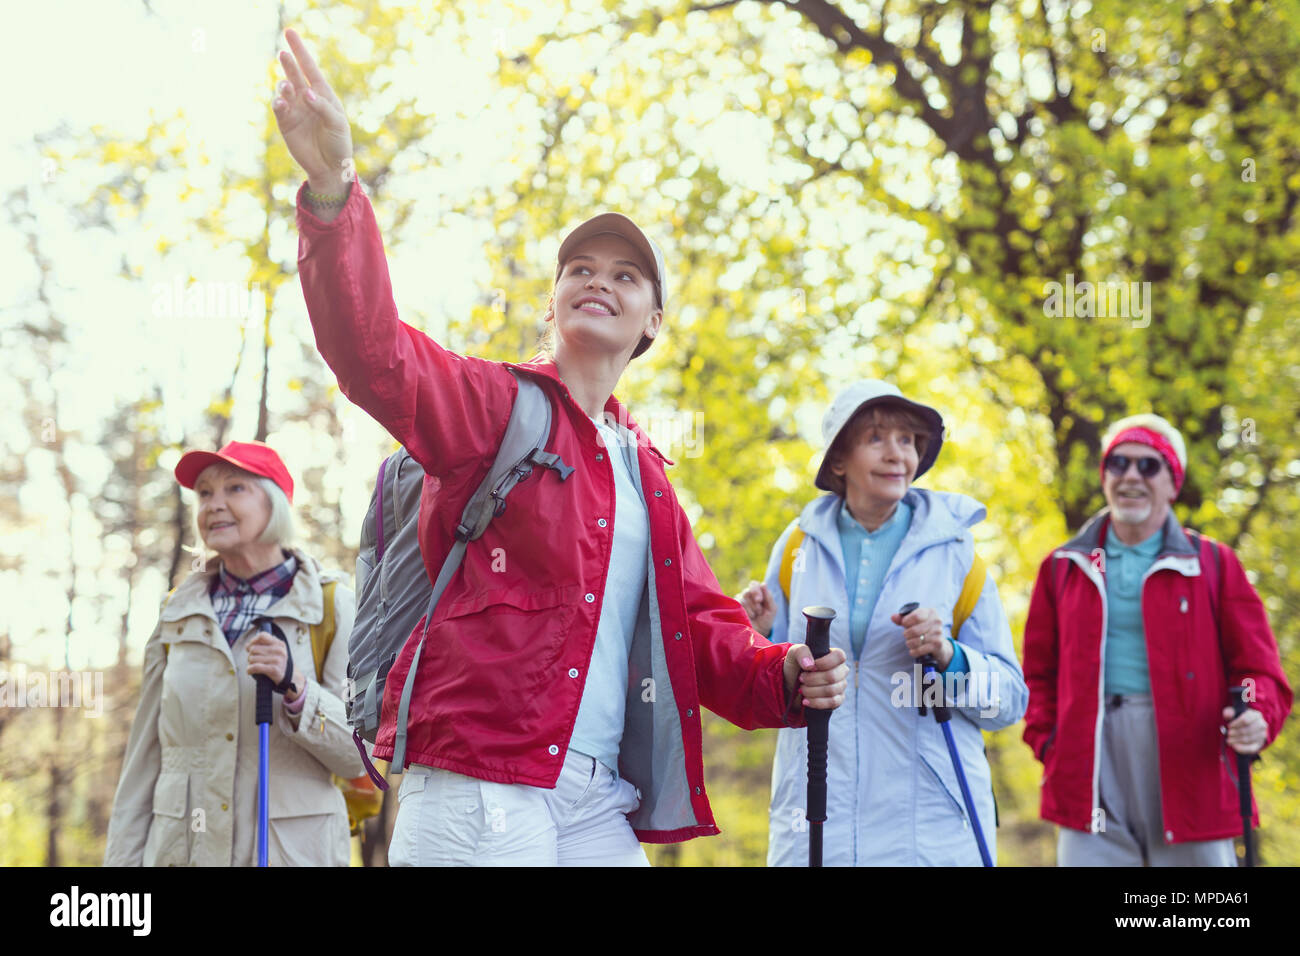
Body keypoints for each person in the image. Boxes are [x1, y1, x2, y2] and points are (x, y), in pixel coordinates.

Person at [270, 28, 848, 866]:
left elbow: (701, 627)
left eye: (624, 275)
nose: (597, 281)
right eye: (579, 268)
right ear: (552, 305)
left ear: (651, 323)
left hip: (593, 797)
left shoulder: (646, 474)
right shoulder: (494, 406)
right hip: (477, 784)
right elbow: (375, 356)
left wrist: (787, 675)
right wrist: (333, 190)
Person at [738, 381, 1028, 866]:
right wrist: (762, 635)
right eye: (876, 439)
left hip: (928, 835)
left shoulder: (958, 553)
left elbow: (1009, 701)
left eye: (908, 440)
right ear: (838, 461)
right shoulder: (796, 547)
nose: (898, 455)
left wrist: (950, 657)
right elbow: (767, 693)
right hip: (816, 826)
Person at [1021, 413, 1293, 866]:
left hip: (1192, 764)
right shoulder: (1062, 567)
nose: (1131, 476)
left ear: (1173, 483)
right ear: (1105, 478)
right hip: (1088, 762)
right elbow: (1037, 674)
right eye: (1118, 464)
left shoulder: (1214, 564)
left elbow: (1258, 671)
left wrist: (1255, 712)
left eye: (1148, 466)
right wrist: (1050, 744)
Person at [104, 440, 365, 866]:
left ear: (275, 504)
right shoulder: (176, 613)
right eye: (205, 493)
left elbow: (363, 756)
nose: (213, 505)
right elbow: (142, 762)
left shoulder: (333, 605)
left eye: (235, 489)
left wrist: (299, 690)